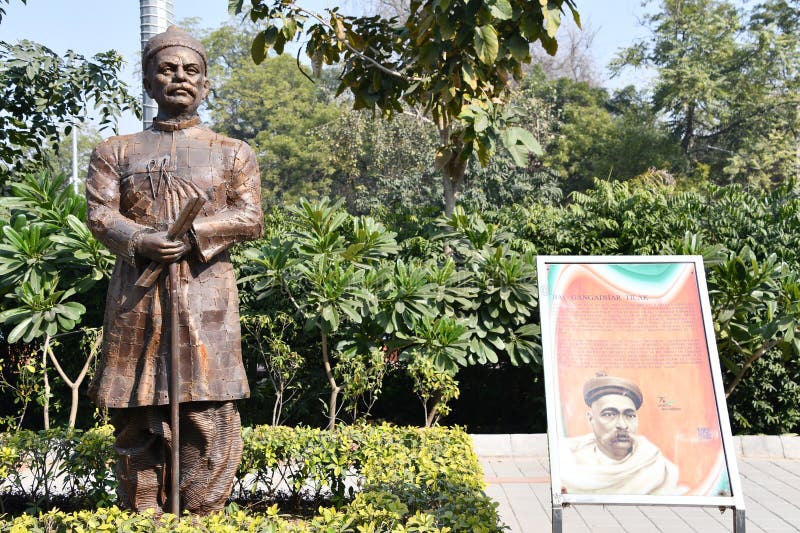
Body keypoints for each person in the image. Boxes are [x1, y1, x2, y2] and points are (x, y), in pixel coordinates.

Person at [85, 26, 263, 515]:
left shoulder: (233, 152)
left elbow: (250, 218)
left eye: (191, 70)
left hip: (205, 298)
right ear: (148, 80)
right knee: (135, 412)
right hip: (137, 299)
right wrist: (142, 240)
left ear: (205, 83)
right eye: (167, 68)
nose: (179, 78)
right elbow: (101, 215)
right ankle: (142, 514)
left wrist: (192, 234)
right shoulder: (114, 151)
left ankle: (203, 515)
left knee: (208, 411)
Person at [559, 373, 681, 495]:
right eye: (609, 414)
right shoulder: (568, 460)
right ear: (591, 419)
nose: (622, 425)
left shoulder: (655, 464)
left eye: (630, 415)